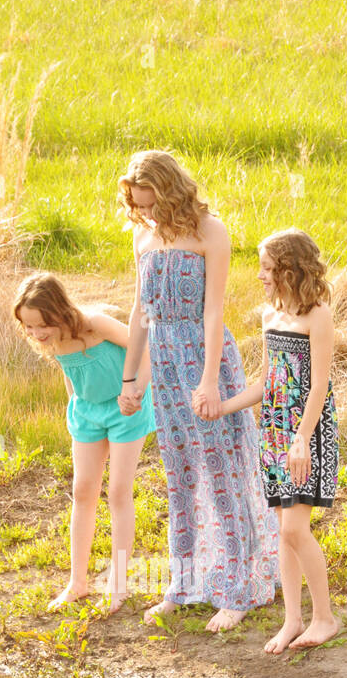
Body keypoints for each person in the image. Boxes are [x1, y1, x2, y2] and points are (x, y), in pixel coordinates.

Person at [116, 150, 279, 632]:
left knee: (223, 470)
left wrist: (209, 379)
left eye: (151, 203)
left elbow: (214, 312)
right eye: (138, 205)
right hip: (164, 366)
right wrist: (131, 379)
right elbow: (140, 311)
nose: (145, 213)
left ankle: (239, 588)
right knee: (179, 472)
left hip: (205, 359)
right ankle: (184, 585)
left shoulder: (211, 231)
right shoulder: (143, 235)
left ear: (169, 190)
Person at [198, 229, 339, 652]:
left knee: (296, 529)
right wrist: (224, 406)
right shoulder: (269, 316)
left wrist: (301, 439)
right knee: (283, 530)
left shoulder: (319, 316)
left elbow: (318, 387)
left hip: (307, 433)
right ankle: (292, 619)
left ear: (289, 270)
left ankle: (325, 619)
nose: (259, 275)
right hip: (273, 431)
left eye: (266, 267)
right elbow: (266, 381)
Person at [13, 271, 154, 612]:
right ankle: (78, 582)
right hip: (87, 413)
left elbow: (144, 347)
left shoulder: (95, 324)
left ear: (59, 312)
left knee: (118, 491)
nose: (34, 334)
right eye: (27, 327)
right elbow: (70, 369)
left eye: (39, 325)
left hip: (125, 409)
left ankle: (118, 586)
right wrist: (75, 407)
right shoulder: (51, 340)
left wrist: (134, 389)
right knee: (82, 491)